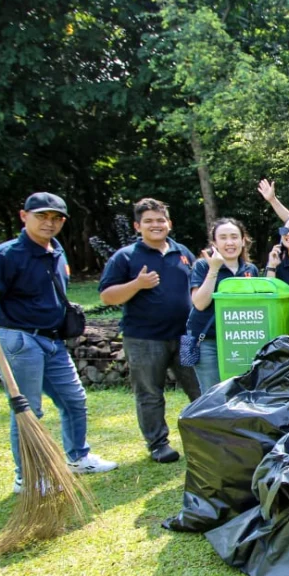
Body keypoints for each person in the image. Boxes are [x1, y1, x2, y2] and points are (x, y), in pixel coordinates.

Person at [0, 192, 117, 492]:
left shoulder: (57, 251)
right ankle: (28, 478)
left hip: (54, 341)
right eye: (41, 216)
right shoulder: (4, 255)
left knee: (74, 400)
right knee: (28, 410)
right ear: (24, 216)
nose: (49, 223)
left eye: (55, 218)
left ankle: (78, 457)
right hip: (19, 341)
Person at [98, 198, 202, 463]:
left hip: (185, 337)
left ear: (169, 223)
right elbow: (107, 296)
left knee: (199, 389)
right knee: (150, 393)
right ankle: (158, 444)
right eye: (149, 221)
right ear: (137, 226)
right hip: (145, 339)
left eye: (160, 220)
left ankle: (204, 438)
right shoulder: (125, 257)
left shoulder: (183, 253)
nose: (156, 225)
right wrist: (137, 284)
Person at [188, 218, 259, 392]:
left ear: (243, 241)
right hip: (206, 340)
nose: (229, 242)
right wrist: (214, 269)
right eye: (223, 237)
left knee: (241, 392)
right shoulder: (202, 266)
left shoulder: (250, 270)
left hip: (240, 341)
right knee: (213, 394)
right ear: (214, 243)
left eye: (234, 237)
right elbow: (199, 304)